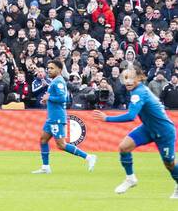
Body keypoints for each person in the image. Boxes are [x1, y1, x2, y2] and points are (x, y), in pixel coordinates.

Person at [97, 62, 178, 197]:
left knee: (169, 163)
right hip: (147, 128)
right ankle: (130, 178)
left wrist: (107, 119)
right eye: (125, 78)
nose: (127, 81)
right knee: (124, 147)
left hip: (164, 132)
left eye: (131, 78)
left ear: (139, 78)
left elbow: (131, 116)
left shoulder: (140, 92)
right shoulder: (137, 91)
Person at [31, 58, 95, 174]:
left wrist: (49, 98)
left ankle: (89, 157)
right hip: (51, 118)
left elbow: (63, 98)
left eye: (52, 68)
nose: (49, 70)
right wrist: (47, 101)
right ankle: (46, 167)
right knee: (43, 140)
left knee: (61, 145)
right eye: (48, 68)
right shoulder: (55, 81)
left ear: (59, 69)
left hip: (57, 118)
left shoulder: (58, 82)